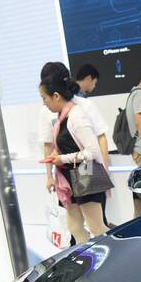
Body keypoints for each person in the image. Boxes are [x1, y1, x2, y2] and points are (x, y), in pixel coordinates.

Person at [40, 68, 110, 243]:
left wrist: (62, 159)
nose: (44, 103)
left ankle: (118, 254)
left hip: (85, 174)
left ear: (56, 96)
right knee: (75, 226)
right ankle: (85, 256)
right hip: (70, 176)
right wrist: (56, 157)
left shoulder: (76, 115)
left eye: (45, 98)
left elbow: (92, 151)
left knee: (97, 227)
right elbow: (64, 145)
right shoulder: (63, 117)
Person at [72, 63, 111, 163]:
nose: (94, 86)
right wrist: (105, 163)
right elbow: (100, 134)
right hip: (85, 154)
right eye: (95, 83)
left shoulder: (71, 96)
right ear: (89, 78)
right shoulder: (82, 100)